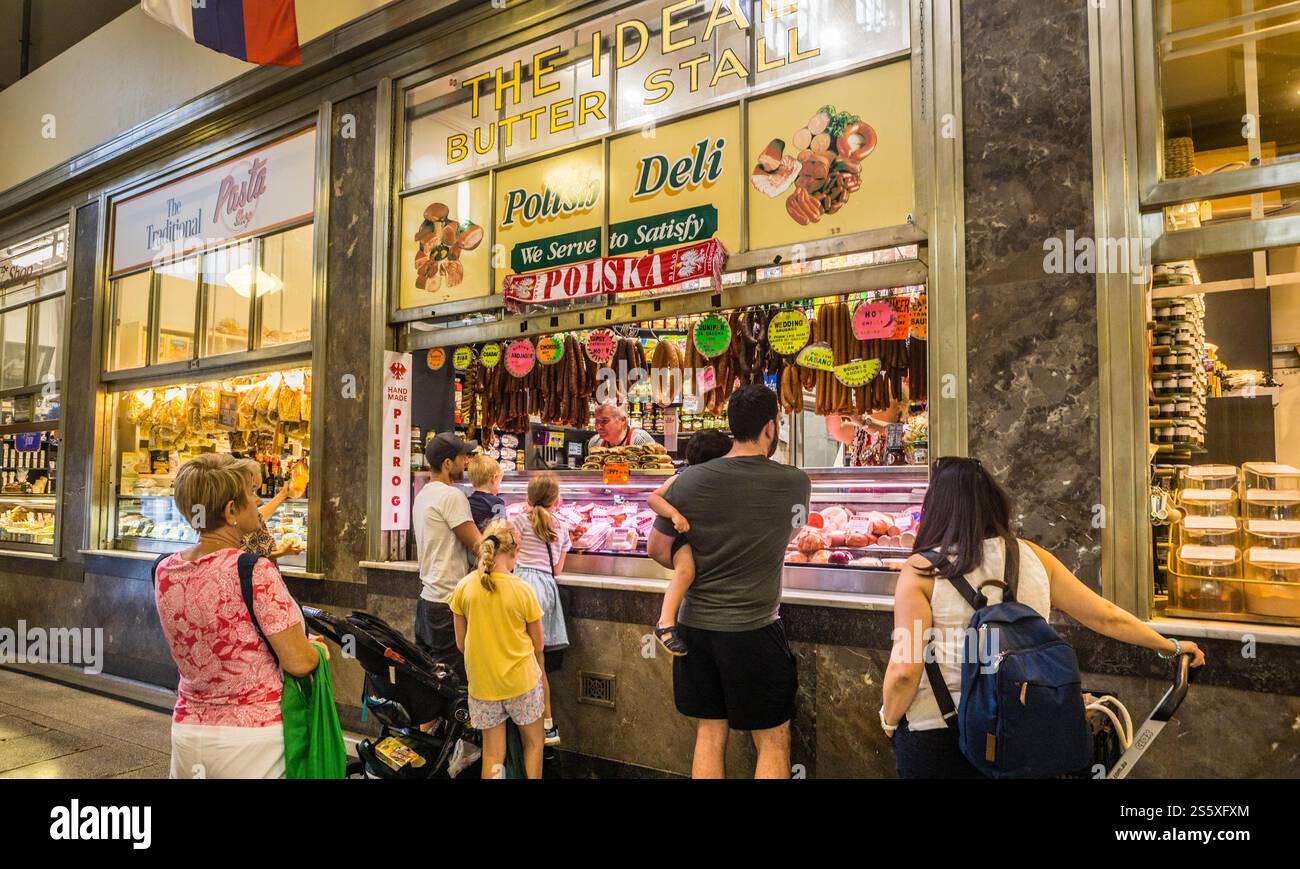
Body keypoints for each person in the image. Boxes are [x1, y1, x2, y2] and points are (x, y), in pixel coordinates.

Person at [881, 456, 1207, 779]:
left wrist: (889, 721)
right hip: (1023, 730)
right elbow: (1106, 617)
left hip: (939, 734)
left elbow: (905, 671)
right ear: (994, 504)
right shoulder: (1035, 557)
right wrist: (1170, 646)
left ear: (936, 509)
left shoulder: (922, 571)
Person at [647, 385, 811, 779]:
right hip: (755, 630)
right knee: (771, 739)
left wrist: (695, 564)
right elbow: (790, 536)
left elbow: (656, 548)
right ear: (771, 427)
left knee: (708, 732)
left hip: (695, 630)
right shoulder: (796, 482)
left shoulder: (687, 481)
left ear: (731, 426)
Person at [153, 453, 328, 779]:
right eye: (250, 493)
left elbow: (220, 636)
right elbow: (299, 662)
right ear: (231, 511)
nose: (258, 499)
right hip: (252, 739)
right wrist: (314, 649)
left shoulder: (164, 570)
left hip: (188, 732)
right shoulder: (253, 570)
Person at [450, 519, 546, 779]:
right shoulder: (523, 590)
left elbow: (461, 643)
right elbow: (539, 643)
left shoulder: (464, 587)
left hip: (483, 686)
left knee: (493, 755)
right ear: (516, 551)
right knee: (534, 744)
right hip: (521, 683)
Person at [646, 428, 733, 656]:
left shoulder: (716, 481)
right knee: (685, 571)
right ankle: (665, 625)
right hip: (679, 539)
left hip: (693, 538)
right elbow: (653, 498)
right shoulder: (682, 478)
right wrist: (675, 515)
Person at [509, 471, 570, 746]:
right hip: (545, 591)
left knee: (516, 655)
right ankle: (547, 722)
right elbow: (557, 568)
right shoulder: (563, 525)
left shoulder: (519, 521)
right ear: (556, 500)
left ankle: (516, 717)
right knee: (539, 661)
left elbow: (509, 557)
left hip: (520, 586)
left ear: (529, 497)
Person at [412, 433, 481, 669]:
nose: (467, 463)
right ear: (448, 464)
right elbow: (478, 545)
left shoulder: (422, 495)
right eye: (463, 458)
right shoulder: (452, 496)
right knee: (454, 680)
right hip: (447, 603)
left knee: (432, 677)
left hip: (427, 601)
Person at [233, 458, 308, 561]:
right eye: (252, 490)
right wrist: (282, 553)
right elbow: (247, 561)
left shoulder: (248, 515)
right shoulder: (235, 522)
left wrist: (283, 494)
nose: (259, 500)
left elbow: (261, 515)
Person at [587, 402, 657, 451]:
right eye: (597, 421)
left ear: (622, 420)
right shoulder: (595, 443)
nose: (598, 427)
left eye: (604, 421)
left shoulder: (640, 440)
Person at [466, 453, 505, 530]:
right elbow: (502, 529)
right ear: (494, 478)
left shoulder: (468, 501)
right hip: (489, 540)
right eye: (499, 482)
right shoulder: (497, 502)